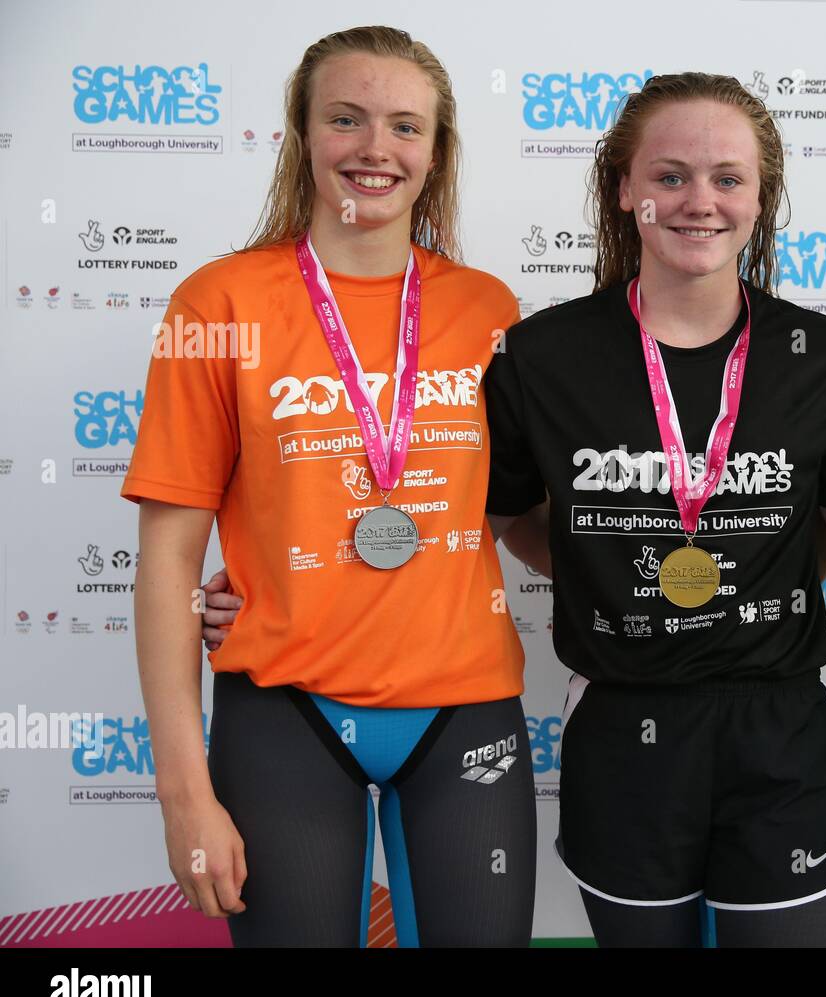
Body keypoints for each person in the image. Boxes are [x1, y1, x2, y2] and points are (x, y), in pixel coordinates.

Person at [201, 75, 826, 949]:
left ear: (761, 197)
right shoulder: (543, 353)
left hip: (777, 732)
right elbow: (488, 508)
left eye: (727, 179)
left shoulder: (822, 356)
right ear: (625, 188)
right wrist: (273, 580)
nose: (697, 201)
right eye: (669, 176)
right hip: (623, 734)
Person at [122, 25, 535, 948]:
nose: (374, 149)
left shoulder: (489, 311)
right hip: (287, 714)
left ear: (436, 152)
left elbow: (521, 512)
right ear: (303, 135)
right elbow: (169, 558)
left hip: (465, 709)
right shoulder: (218, 305)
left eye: (404, 126)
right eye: (345, 119)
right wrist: (184, 796)